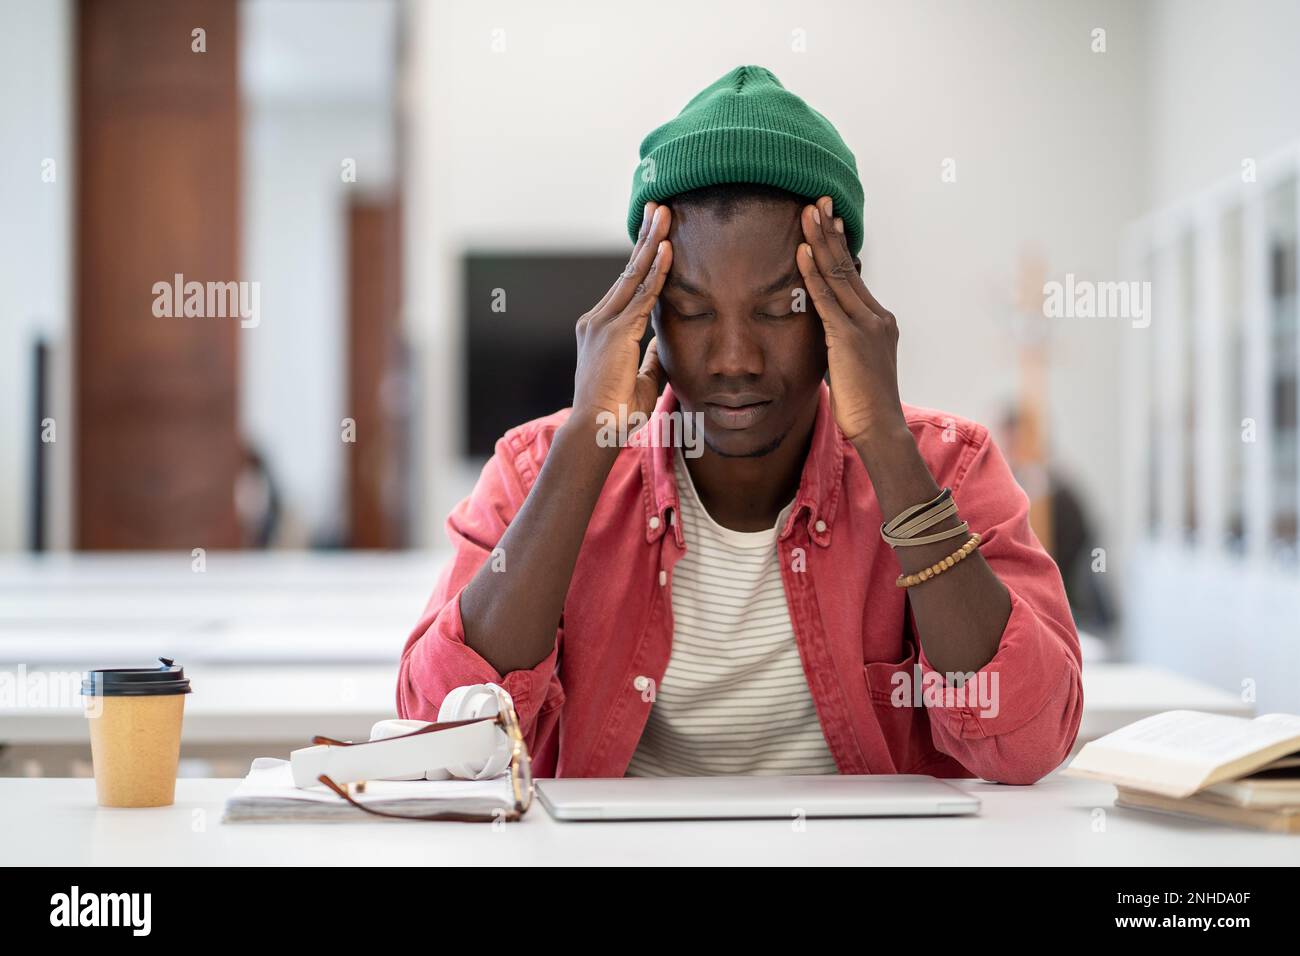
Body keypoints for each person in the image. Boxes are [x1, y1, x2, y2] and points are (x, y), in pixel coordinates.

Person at [397, 65, 1082, 784]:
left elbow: (1031, 743)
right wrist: (585, 446)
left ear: (841, 308)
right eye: (691, 311)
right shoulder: (536, 470)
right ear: (646, 312)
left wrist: (884, 438)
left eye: (780, 308)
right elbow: (441, 736)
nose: (733, 361)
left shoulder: (949, 468)